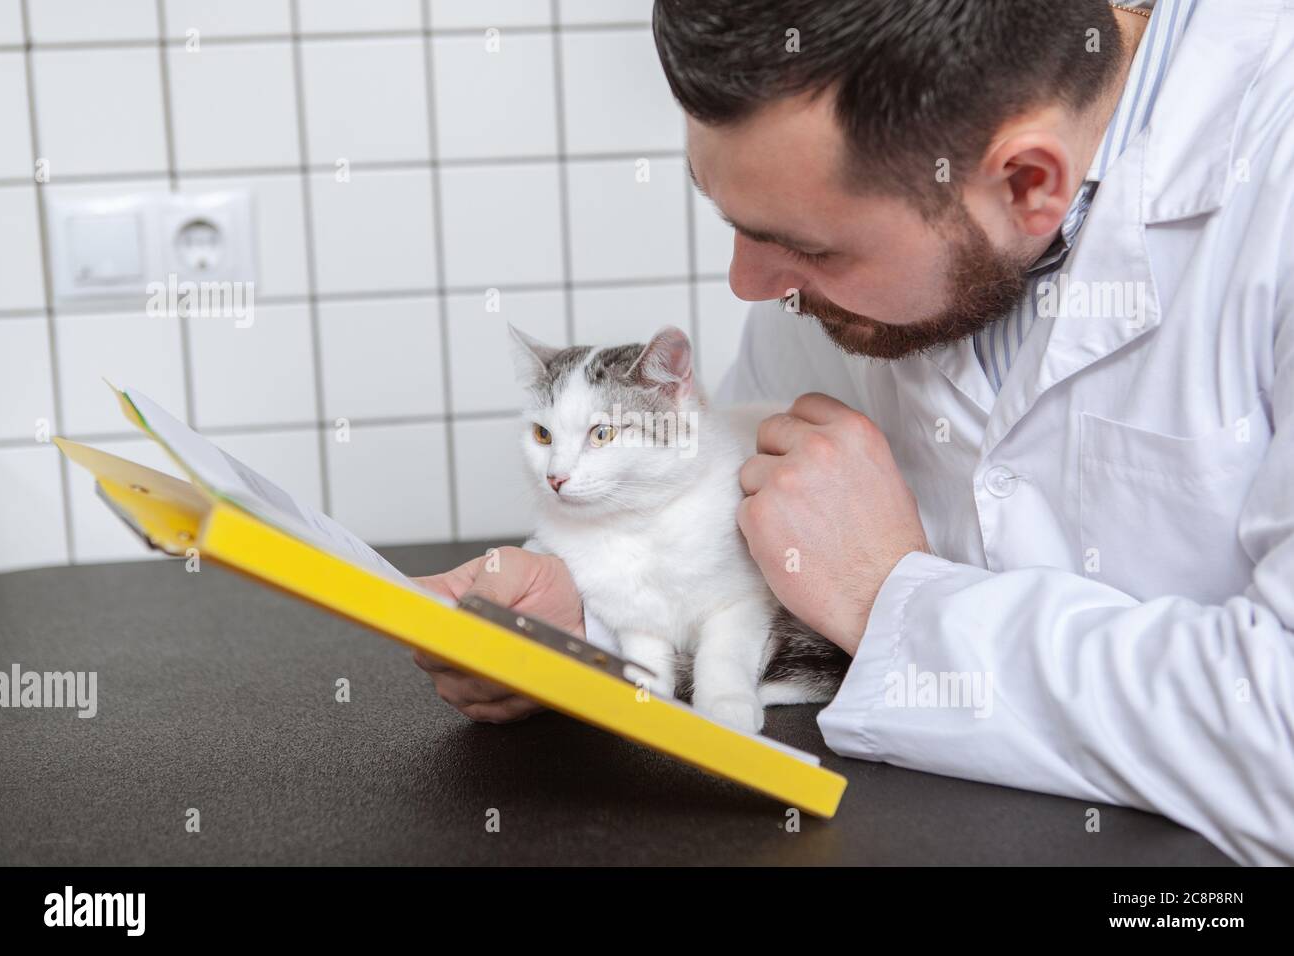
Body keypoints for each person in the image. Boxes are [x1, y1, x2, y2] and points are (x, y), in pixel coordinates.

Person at [415, 0, 1294, 865]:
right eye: (733, 222)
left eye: (811, 247)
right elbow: (734, 563)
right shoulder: (821, 284)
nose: (749, 285)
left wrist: (887, 601)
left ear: (1027, 183)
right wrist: (589, 625)